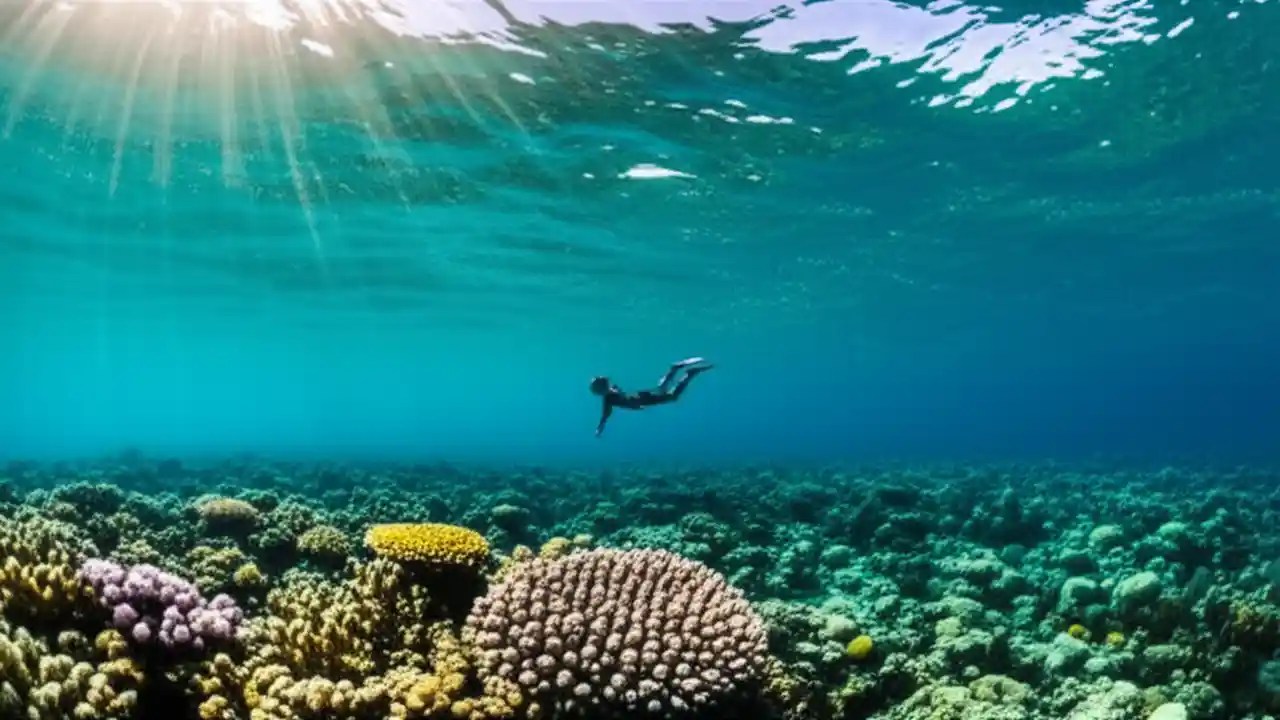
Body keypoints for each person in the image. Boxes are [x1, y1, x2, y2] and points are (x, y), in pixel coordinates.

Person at [589, 357, 714, 437]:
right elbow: (611, 410)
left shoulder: (609, 398)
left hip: (642, 399)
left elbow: (606, 414)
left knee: (671, 396)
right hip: (641, 396)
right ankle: (675, 370)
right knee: (662, 389)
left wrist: (600, 428)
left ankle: (688, 373)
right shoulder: (612, 391)